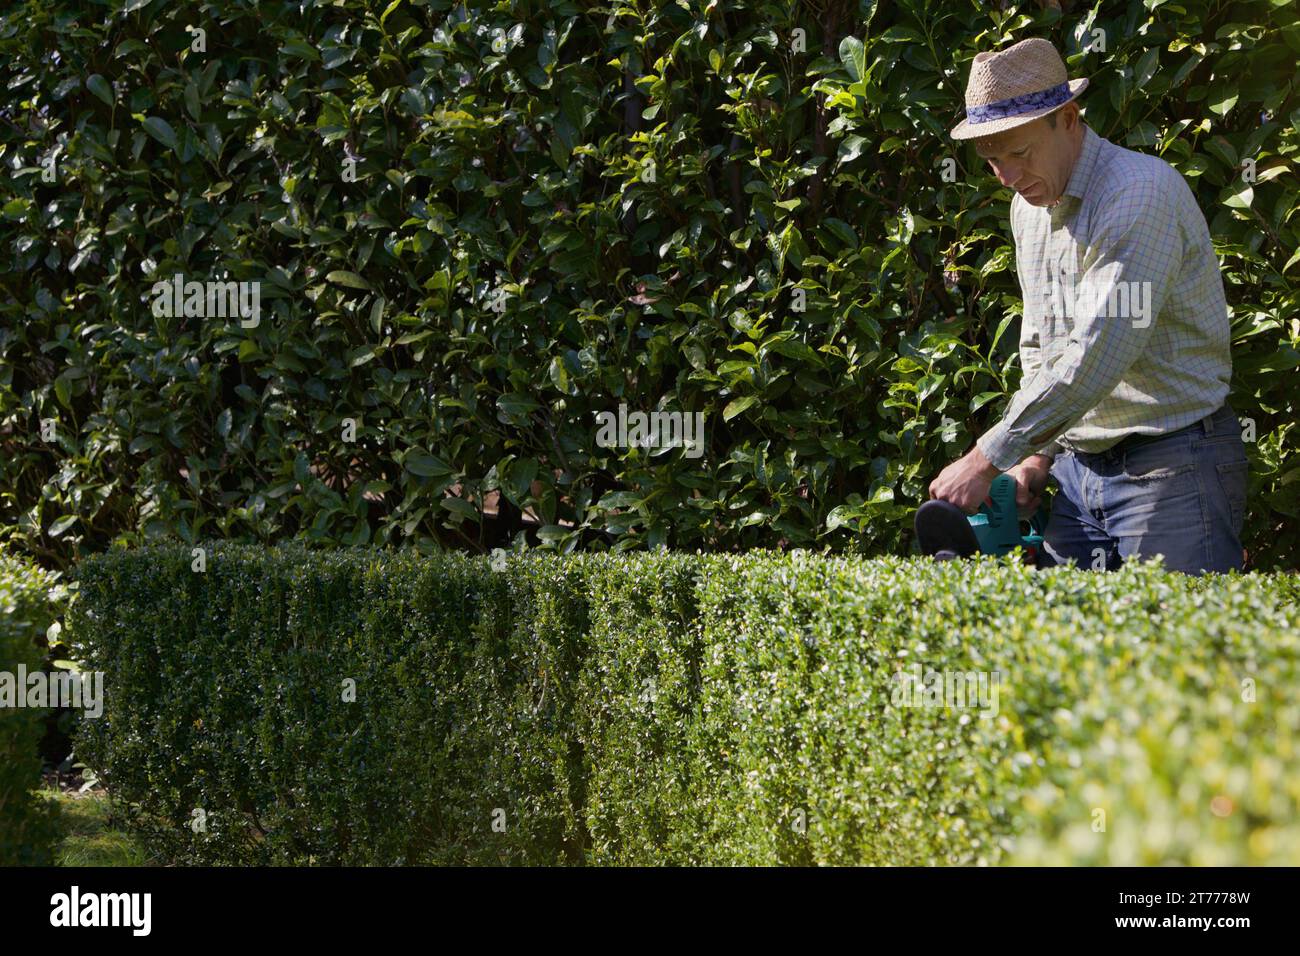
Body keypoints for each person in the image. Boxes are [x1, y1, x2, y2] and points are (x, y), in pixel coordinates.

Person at [928, 37, 1247, 574]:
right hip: (1078, 476)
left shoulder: (1139, 196)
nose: (1006, 176)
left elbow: (1097, 353)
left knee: (1178, 653)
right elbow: (1041, 346)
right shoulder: (1028, 208)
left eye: (1019, 152)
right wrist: (1037, 456)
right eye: (991, 160)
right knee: (1067, 652)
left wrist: (986, 459)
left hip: (1173, 468)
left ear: (1069, 118)